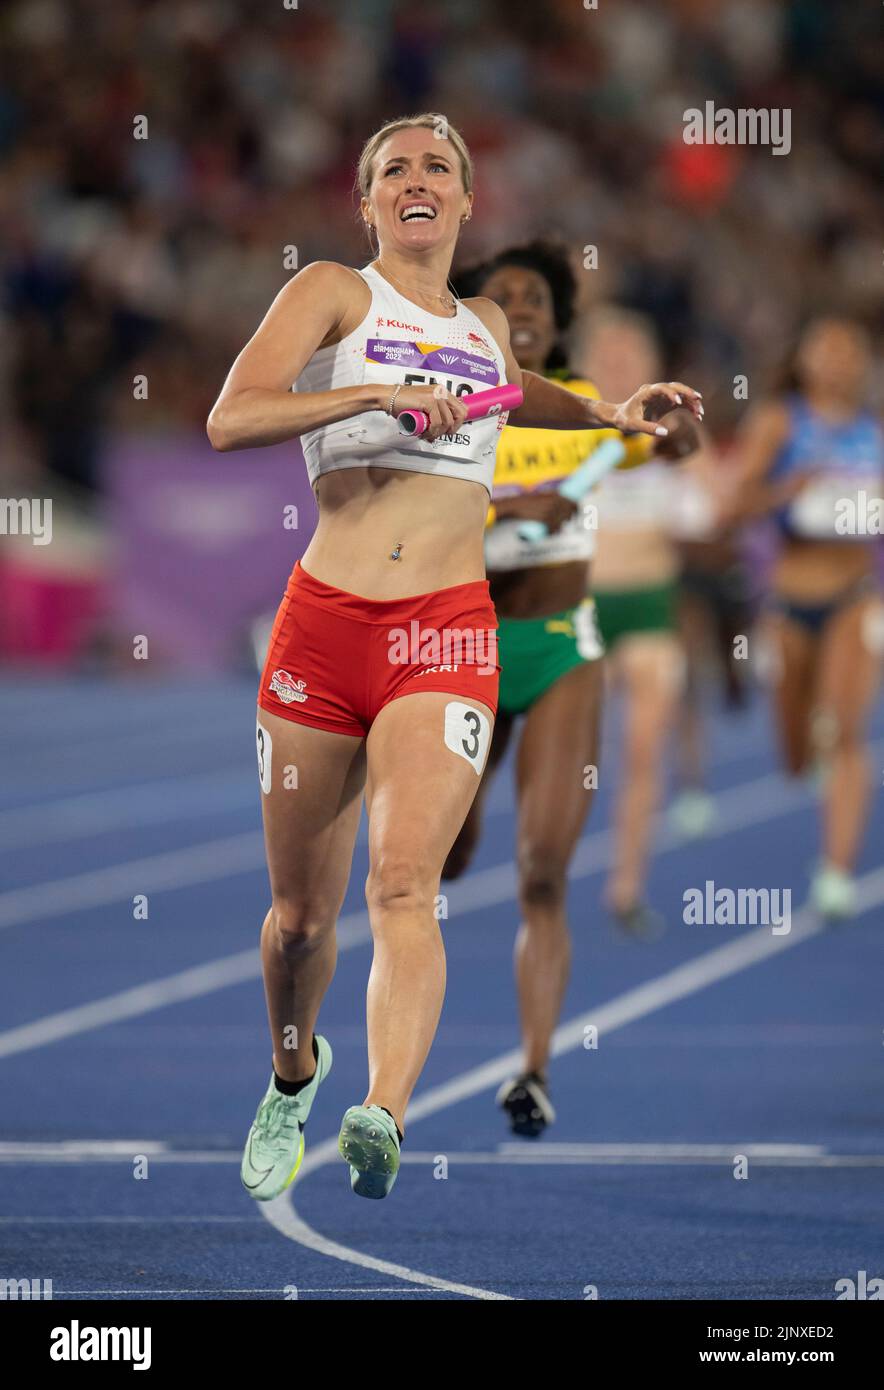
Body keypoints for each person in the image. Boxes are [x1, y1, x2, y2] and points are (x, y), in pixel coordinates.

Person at [207, 113, 702, 1200]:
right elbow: (230, 416)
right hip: (323, 629)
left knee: (402, 884)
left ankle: (381, 1109)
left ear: (468, 203)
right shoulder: (334, 293)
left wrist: (614, 413)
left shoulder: (482, 320)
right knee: (298, 920)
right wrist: (371, 392)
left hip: (445, 630)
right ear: (367, 200)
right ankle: (295, 1072)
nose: (416, 179)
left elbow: (525, 393)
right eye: (394, 168)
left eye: (438, 166)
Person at [443, 242, 700, 1136]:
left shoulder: (586, 406)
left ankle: (534, 1072)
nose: (519, 304)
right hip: (462, 647)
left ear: (558, 321)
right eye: (500, 292)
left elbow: (673, 449)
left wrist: (672, 417)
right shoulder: (454, 391)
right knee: (446, 860)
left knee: (542, 874)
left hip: (559, 645)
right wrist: (503, 512)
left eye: (537, 297)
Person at [728, 317, 884, 917]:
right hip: (789, 599)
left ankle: (836, 871)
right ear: (806, 358)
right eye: (829, 347)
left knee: (846, 731)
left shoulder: (874, 431)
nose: (841, 360)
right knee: (795, 756)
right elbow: (734, 504)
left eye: (854, 349)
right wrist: (784, 492)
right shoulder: (779, 421)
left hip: (855, 594)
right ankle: (808, 755)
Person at [574, 309, 704, 938]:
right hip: (585, 608)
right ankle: (546, 870)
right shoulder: (572, 424)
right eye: (610, 352)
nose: (621, 363)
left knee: (643, 752)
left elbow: (714, 510)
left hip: (650, 605)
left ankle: (625, 886)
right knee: (570, 752)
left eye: (633, 352)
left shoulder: (676, 434)